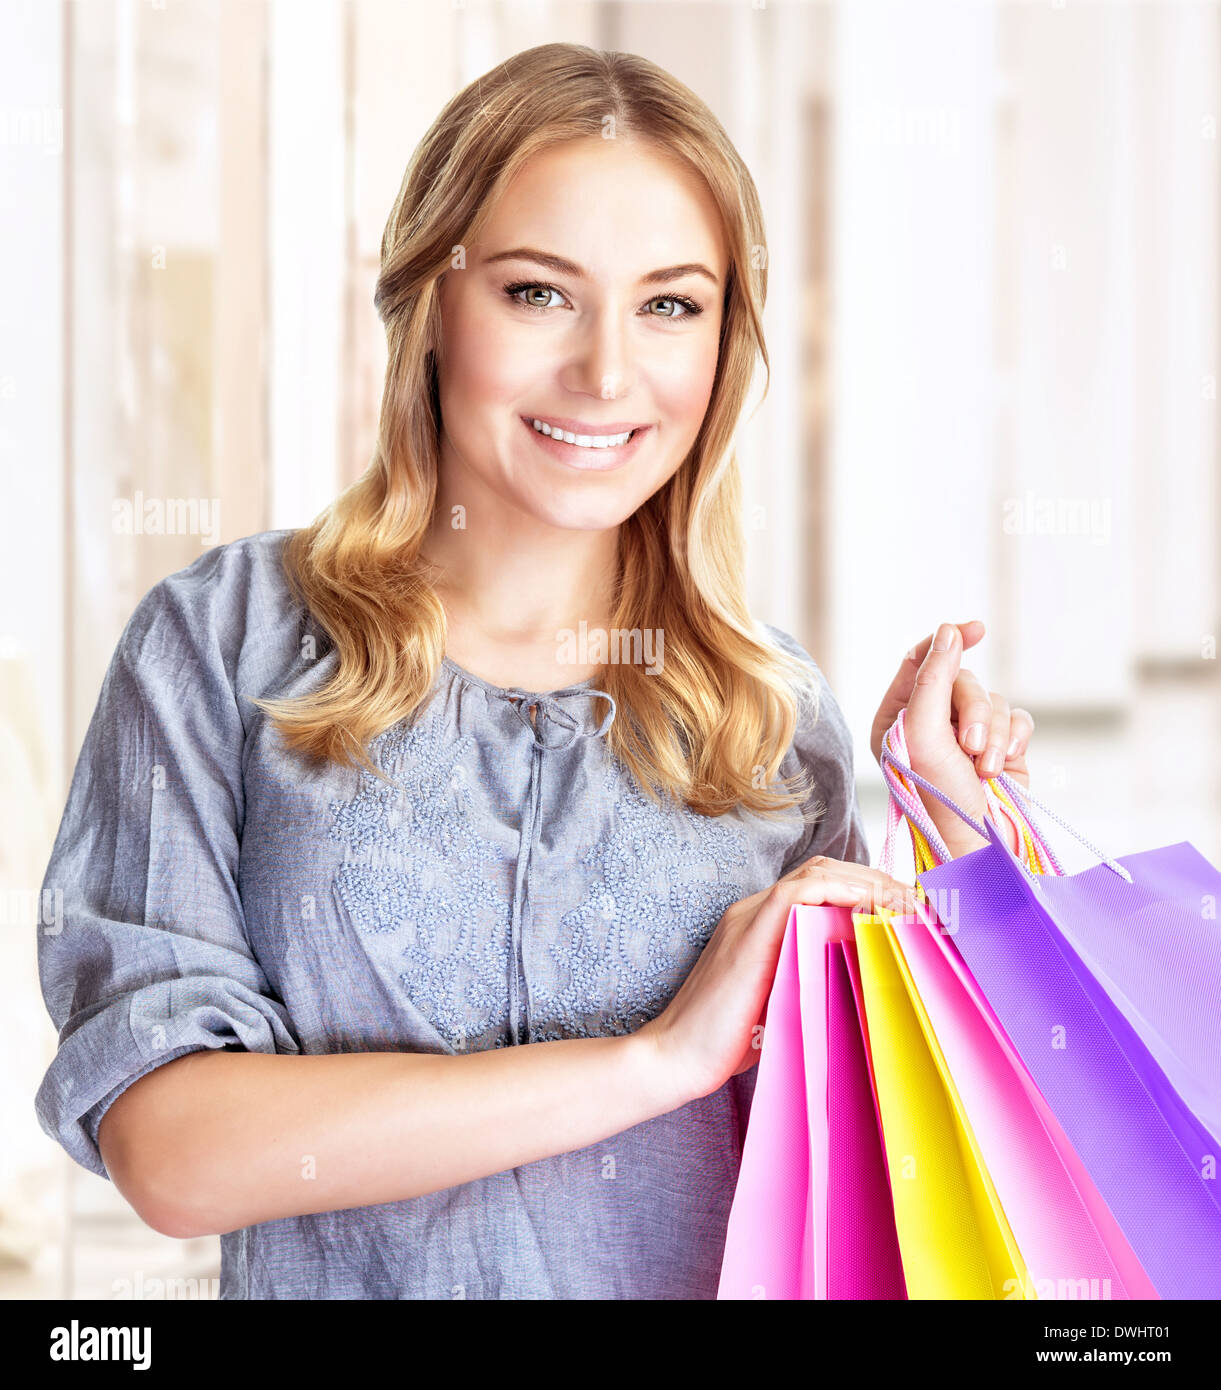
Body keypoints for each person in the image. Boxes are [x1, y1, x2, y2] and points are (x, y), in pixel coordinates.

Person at [34, 42, 1032, 1300]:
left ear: (723, 347)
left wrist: (958, 837)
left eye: (671, 304)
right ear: (429, 302)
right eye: (538, 292)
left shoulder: (772, 718)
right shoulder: (220, 644)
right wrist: (653, 1063)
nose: (607, 374)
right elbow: (171, 1152)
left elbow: (876, 1172)